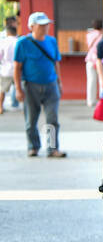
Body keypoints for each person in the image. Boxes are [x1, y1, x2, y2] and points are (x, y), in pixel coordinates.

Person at [13, 12, 65, 158]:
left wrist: (59, 83)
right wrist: (18, 89)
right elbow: (17, 67)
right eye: (41, 25)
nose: (45, 28)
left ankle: (52, 148)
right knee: (31, 119)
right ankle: (33, 146)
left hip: (51, 84)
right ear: (32, 27)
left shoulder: (52, 41)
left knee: (52, 118)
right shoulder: (23, 43)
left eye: (46, 24)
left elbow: (56, 63)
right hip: (31, 86)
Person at [0, 17, 18, 115]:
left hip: (5, 70)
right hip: (17, 70)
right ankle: (26, 107)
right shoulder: (18, 42)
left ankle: (0, 108)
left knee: (3, 90)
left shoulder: (3, 42)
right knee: (19, 88)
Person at [84, 20, 103, 107]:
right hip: (99, 59)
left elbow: (89, 46)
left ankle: (90, 101)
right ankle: (102, 99)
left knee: (91, 81)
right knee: (101, 79)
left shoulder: (89, 34)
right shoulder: (102, 35)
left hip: (89, 59)